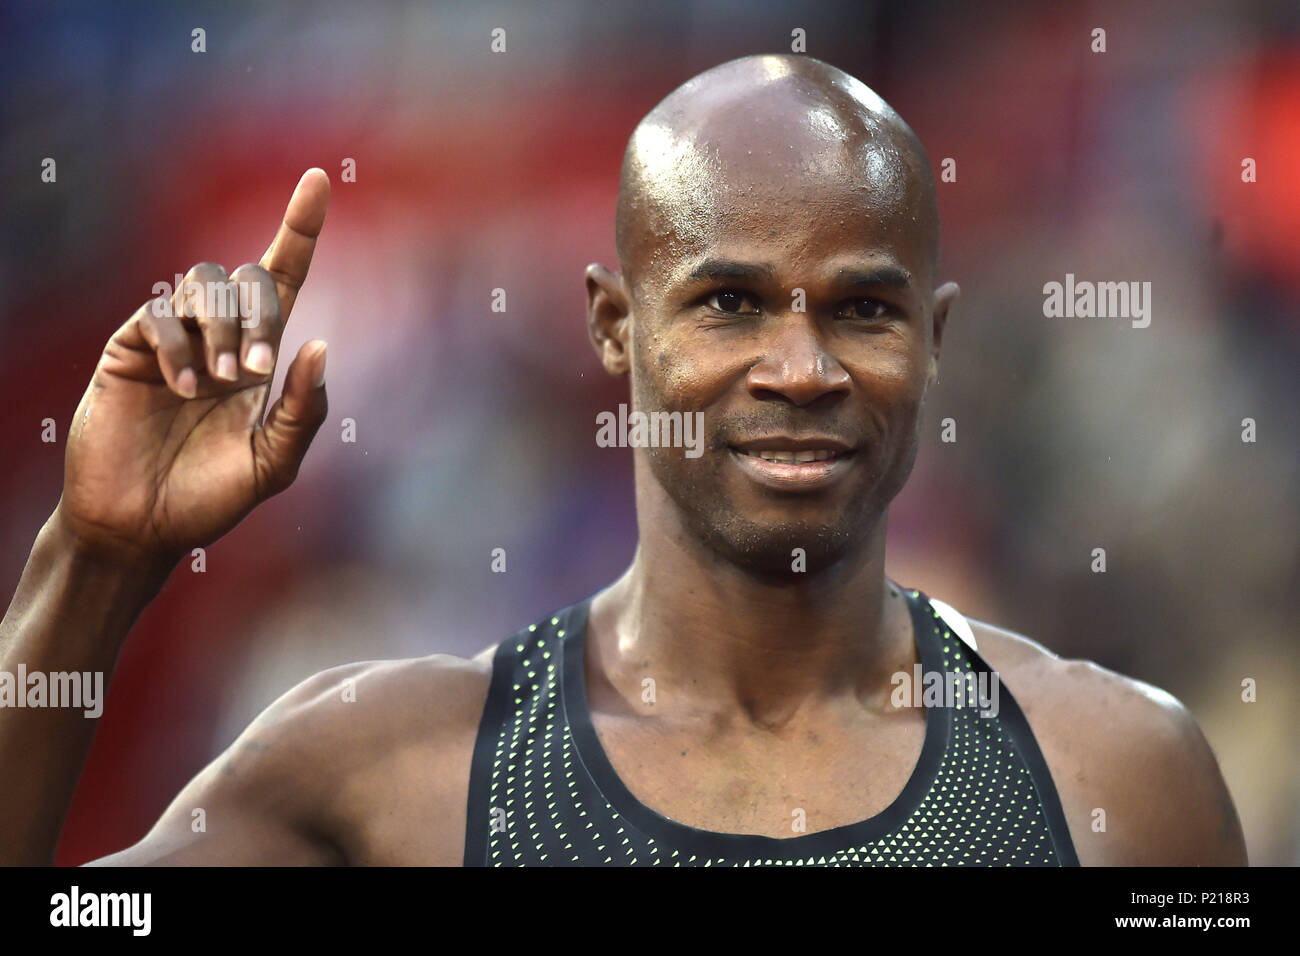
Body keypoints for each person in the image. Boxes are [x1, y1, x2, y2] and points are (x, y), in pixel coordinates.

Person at [0, 53, 1246, 866]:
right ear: (614, 326)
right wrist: (97, 558)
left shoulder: (1116, 780)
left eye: (861, 310)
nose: (800, 369)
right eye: (729, 305)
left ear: (932, 341)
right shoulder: (389, 771)